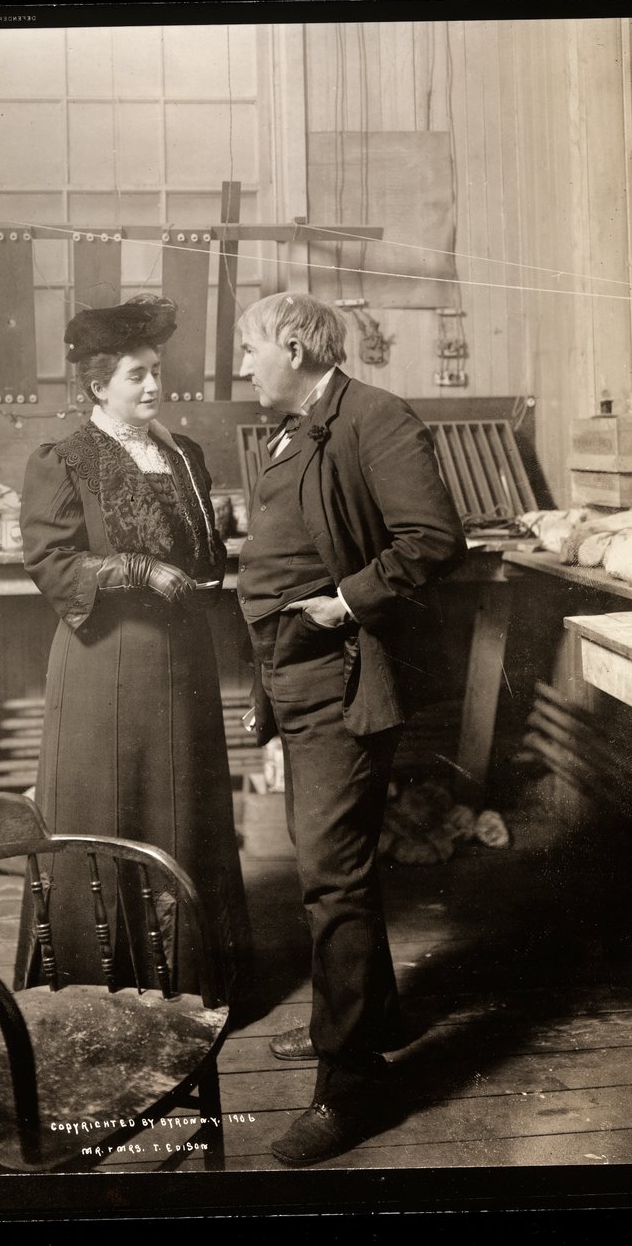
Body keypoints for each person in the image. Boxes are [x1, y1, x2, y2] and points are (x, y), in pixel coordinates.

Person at [235, 292, 467, 1166]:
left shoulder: (376, 416)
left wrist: (345, 602)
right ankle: (369, 1018)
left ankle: (352, 1084)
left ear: (295, 345)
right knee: (328, 863)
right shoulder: (297, 429)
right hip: (295, 677)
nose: (243, 365)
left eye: (251, 347)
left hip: (343, 677)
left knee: (332, 877)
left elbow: (433, 538)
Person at [16, 293, 253, 1011]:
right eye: (135, 375)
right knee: (107, 807)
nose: (153, 385)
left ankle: (189, 980)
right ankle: (101, 983)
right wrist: (136, 571)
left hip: (182, 658)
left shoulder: (183, 454)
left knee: (186, 802)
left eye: (155, 370)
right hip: (104, 660)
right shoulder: (65, 459)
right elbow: (49, 561)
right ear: (98, 386)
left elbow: (203, 546)